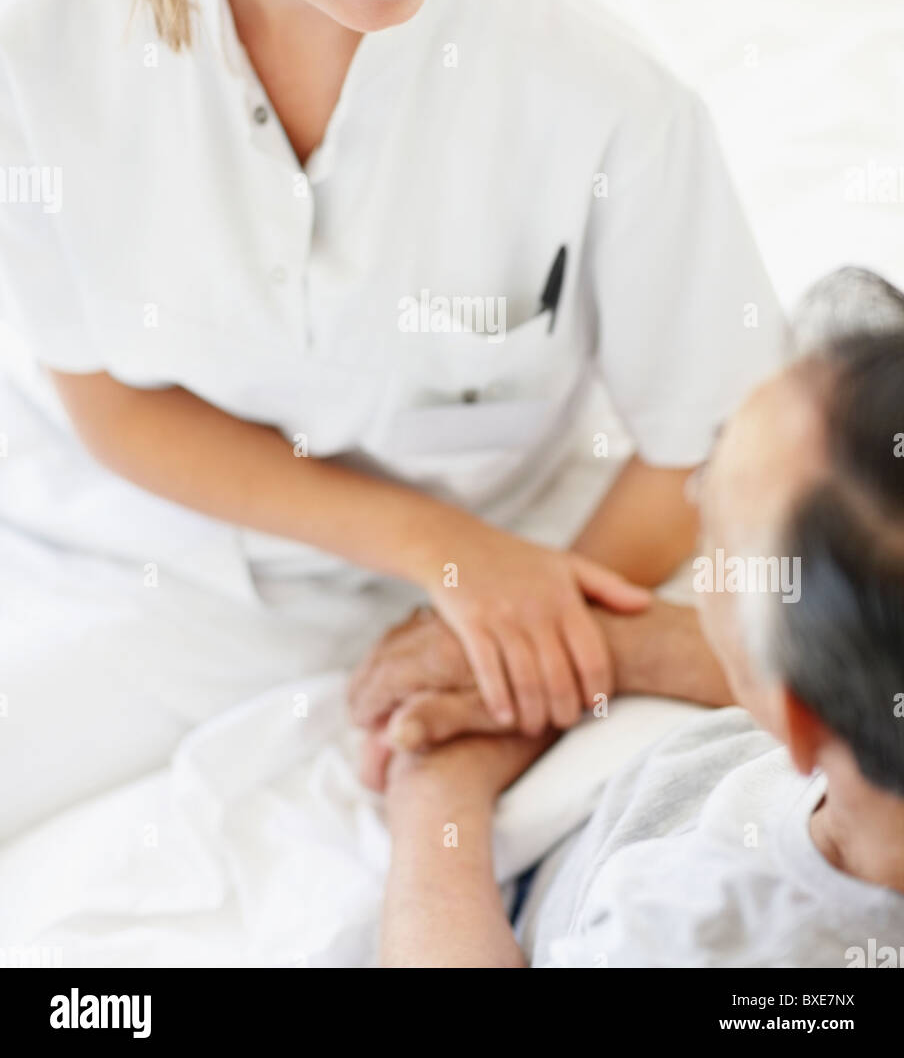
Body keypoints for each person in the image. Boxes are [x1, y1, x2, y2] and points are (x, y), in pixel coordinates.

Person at [0, 0, 784, 842]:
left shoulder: (602, 93)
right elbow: (108, 399)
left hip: (530, 547)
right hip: (141, 554)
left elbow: (714, 436)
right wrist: (441, 550)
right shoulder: (39, 50)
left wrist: (516, 613)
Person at [357, 280, 904, 967]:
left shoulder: (686, 941)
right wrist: (609, 650)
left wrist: (436, 796)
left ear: (798, 720)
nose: (688, 492)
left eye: (713, 514)